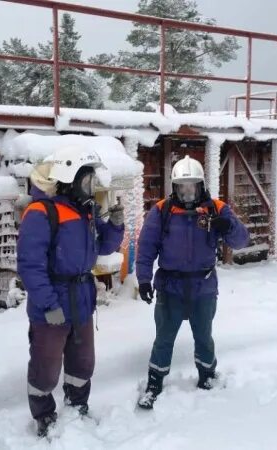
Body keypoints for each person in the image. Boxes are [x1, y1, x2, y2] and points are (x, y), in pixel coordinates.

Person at [17, 147, 125, 437]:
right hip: (52, 300)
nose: (92, 186)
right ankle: (44, 416)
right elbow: (30, 265)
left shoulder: (86, 210)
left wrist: (115, 226)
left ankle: (78, 406)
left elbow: (104, 247)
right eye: (87, 180)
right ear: (70, 178)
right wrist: (48, 303)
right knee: (46, 366)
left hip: (82, 299)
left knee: (83, 361)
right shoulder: (41, 212)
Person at [135, 155, 249, 410]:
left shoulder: (216, 209)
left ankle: (207, 376)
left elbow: (241, 241)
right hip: (170, 287)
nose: (187, 193)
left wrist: (228, 225)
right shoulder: (162, 211)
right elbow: (146, 248)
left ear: (201, 186)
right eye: (182, 188)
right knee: (164, 338)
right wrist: (143, 279)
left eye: (192, 187)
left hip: (203, 286)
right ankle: (155, 383)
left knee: (204, 336)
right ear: (174, 187)